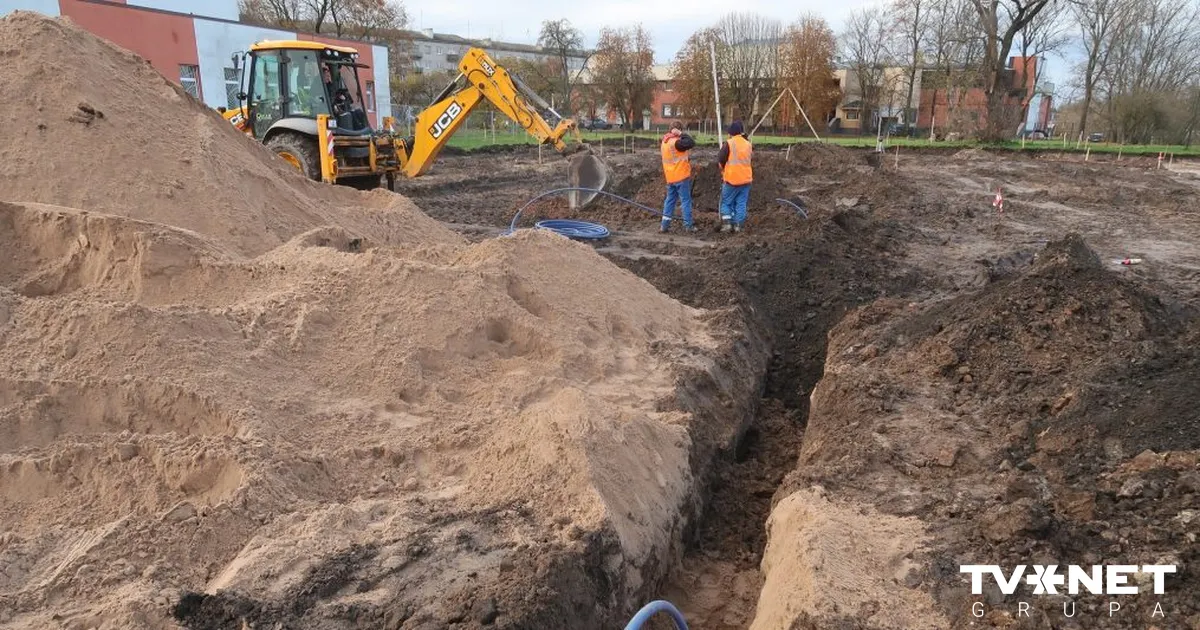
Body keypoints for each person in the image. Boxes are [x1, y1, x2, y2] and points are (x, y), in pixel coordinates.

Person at [660, 121, 697, 232]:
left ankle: (664, 225)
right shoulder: (676, 143)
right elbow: (691, 142)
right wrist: (681, 134)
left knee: (670, 200)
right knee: (685, 201)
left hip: (670, 177)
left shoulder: (665, 142)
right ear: (677, 130)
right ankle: (688, 225)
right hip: (681, 176)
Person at [718, 120, 753, 233]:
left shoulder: (729, 143)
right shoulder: (748, 144)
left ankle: (727, 224)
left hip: (732, 179)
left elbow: (721, 160)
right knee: (741, 203)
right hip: (746, 179)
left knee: (726, 202)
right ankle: (738, 225)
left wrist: (723, 170)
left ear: (731, 133)